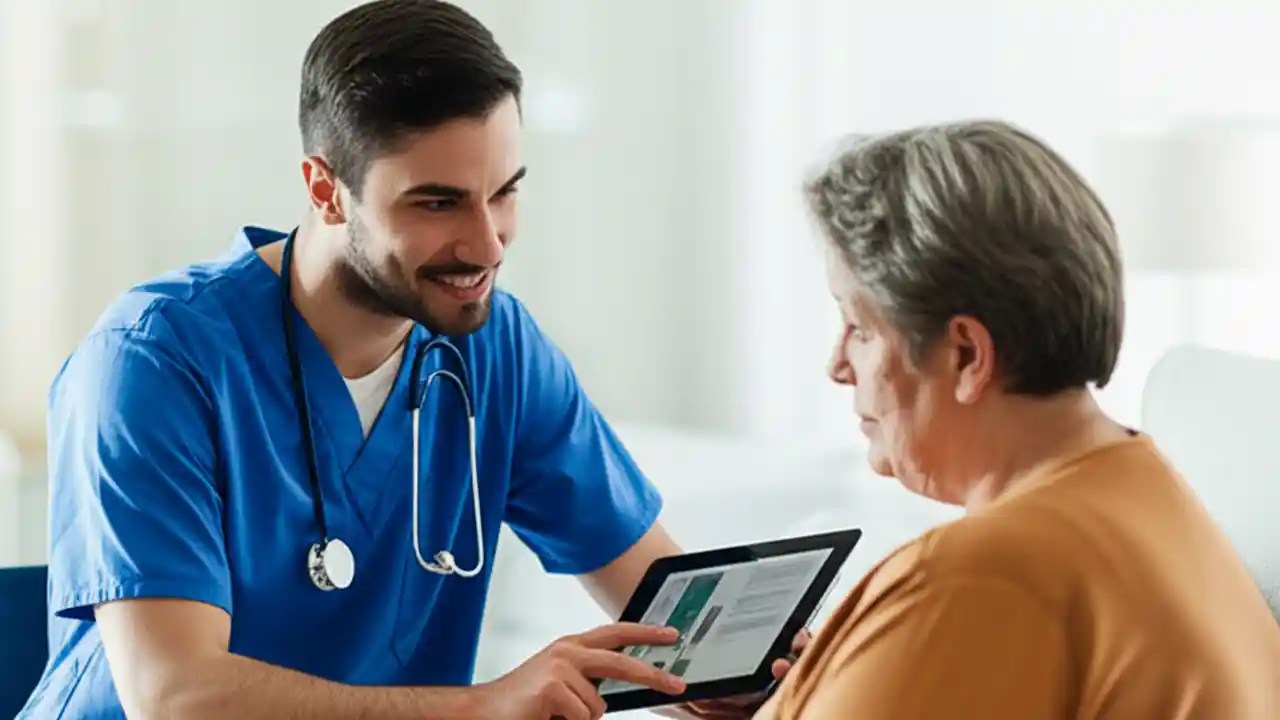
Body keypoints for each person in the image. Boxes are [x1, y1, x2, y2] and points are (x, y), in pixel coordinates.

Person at [19, 2, 802, 718]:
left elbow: (669, 611)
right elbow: (176, 695)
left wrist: (730, 677)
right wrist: (488, 706)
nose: (488, 244)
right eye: (438, 203)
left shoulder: (496, 351)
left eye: (504, 192)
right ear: (326, 190)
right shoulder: (152, 360)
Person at [756, 120, 1280, 719]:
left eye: (861, 328)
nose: (837, 366)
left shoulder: (972, 585)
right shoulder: (1155, 500)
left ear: (967, 355)